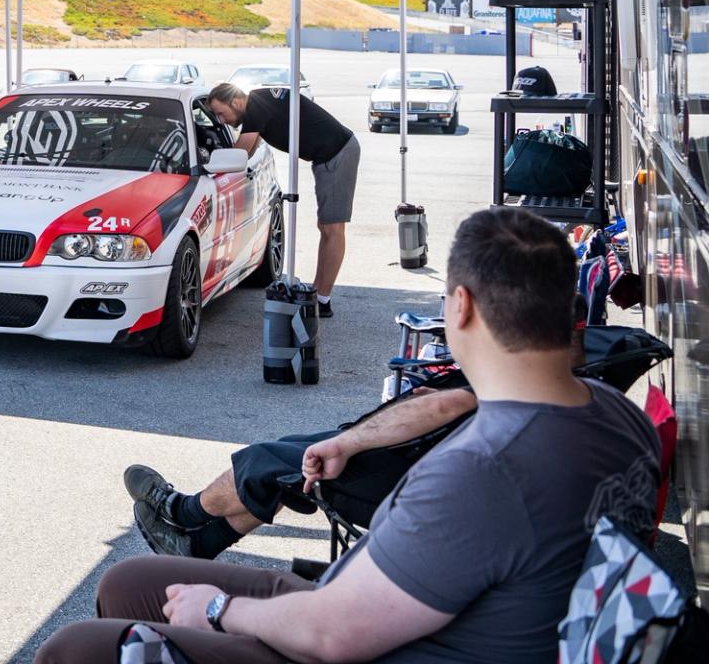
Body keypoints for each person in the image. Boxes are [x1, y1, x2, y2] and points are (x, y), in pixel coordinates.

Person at [33, 206, 661, 664]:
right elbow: (461, 403)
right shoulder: (613, 413)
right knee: (130, 582)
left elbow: (333, 636)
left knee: (77, 649)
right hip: (403, 607)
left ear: (461, 307)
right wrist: (355, 441)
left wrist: (218, 612)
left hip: (368, 641)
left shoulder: (481, 471)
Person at [123, 384, 478, 560]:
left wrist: (348, 443)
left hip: (417, 489)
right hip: (431, 472)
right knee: (287, 451)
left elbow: (451, 403)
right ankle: (199, 545)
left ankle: (181, 511)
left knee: (267, 461)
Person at [206, 81, 358, 316]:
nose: (221, 120)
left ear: (235, 102)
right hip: (329, 155)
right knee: (326, 228)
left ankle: (322, 302)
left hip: (338, 152)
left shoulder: (255, 104)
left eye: (221, 113)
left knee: (332, 229)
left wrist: (209, 163)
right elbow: (251, 149)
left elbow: (241, 151)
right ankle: (317, 294)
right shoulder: (258, 106)